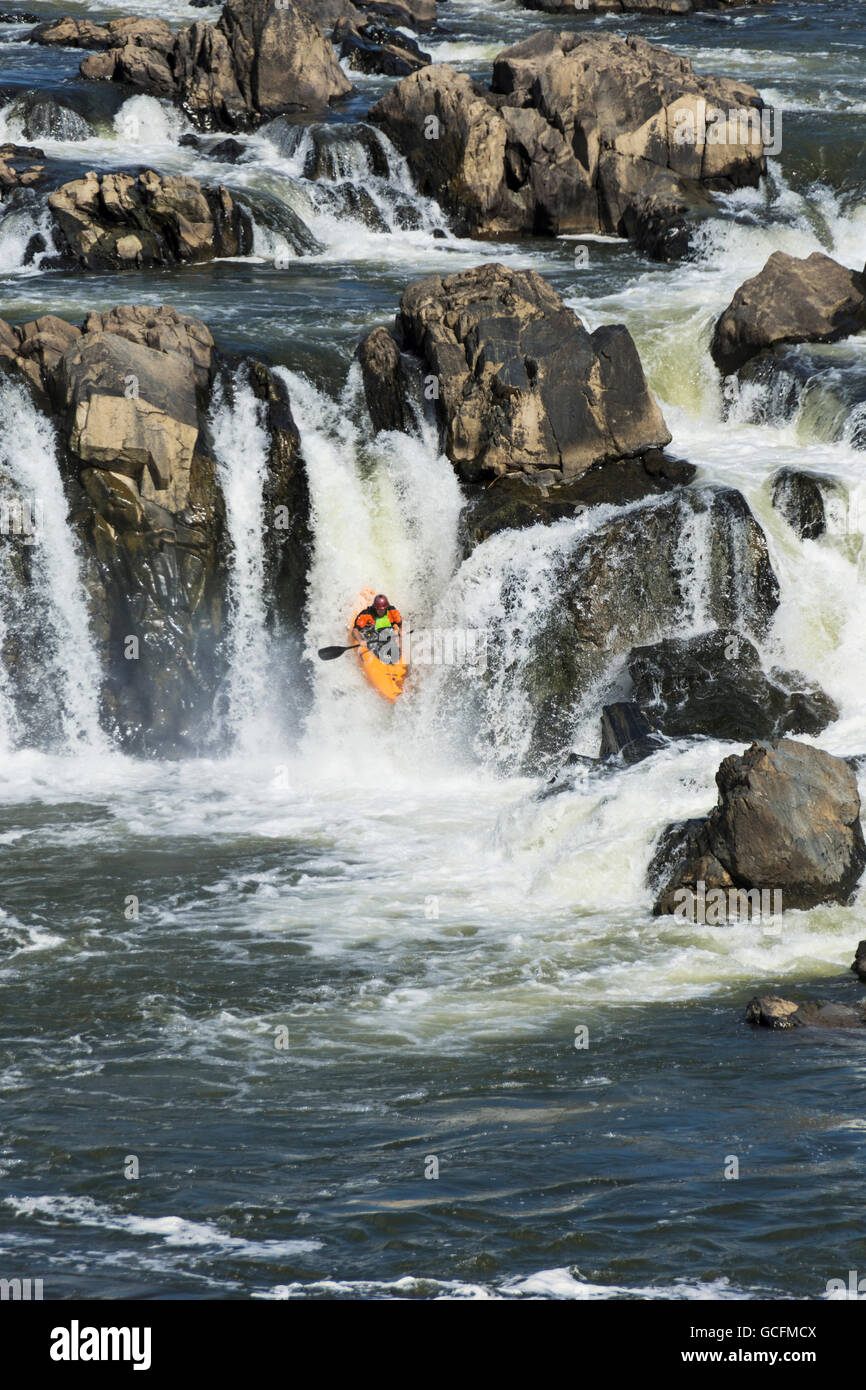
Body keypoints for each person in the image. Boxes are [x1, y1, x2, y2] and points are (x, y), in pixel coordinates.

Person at [354, 594, 402, 665]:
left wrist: (401, 631)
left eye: (383, 610)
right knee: (375, 644)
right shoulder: (366, 614)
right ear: (375, 608)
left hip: (387, 636)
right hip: (372, 636)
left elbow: (401, 624)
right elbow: (355, 630)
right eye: (379, 610)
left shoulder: (392, 611)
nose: (381, 612)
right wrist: (361, 641)